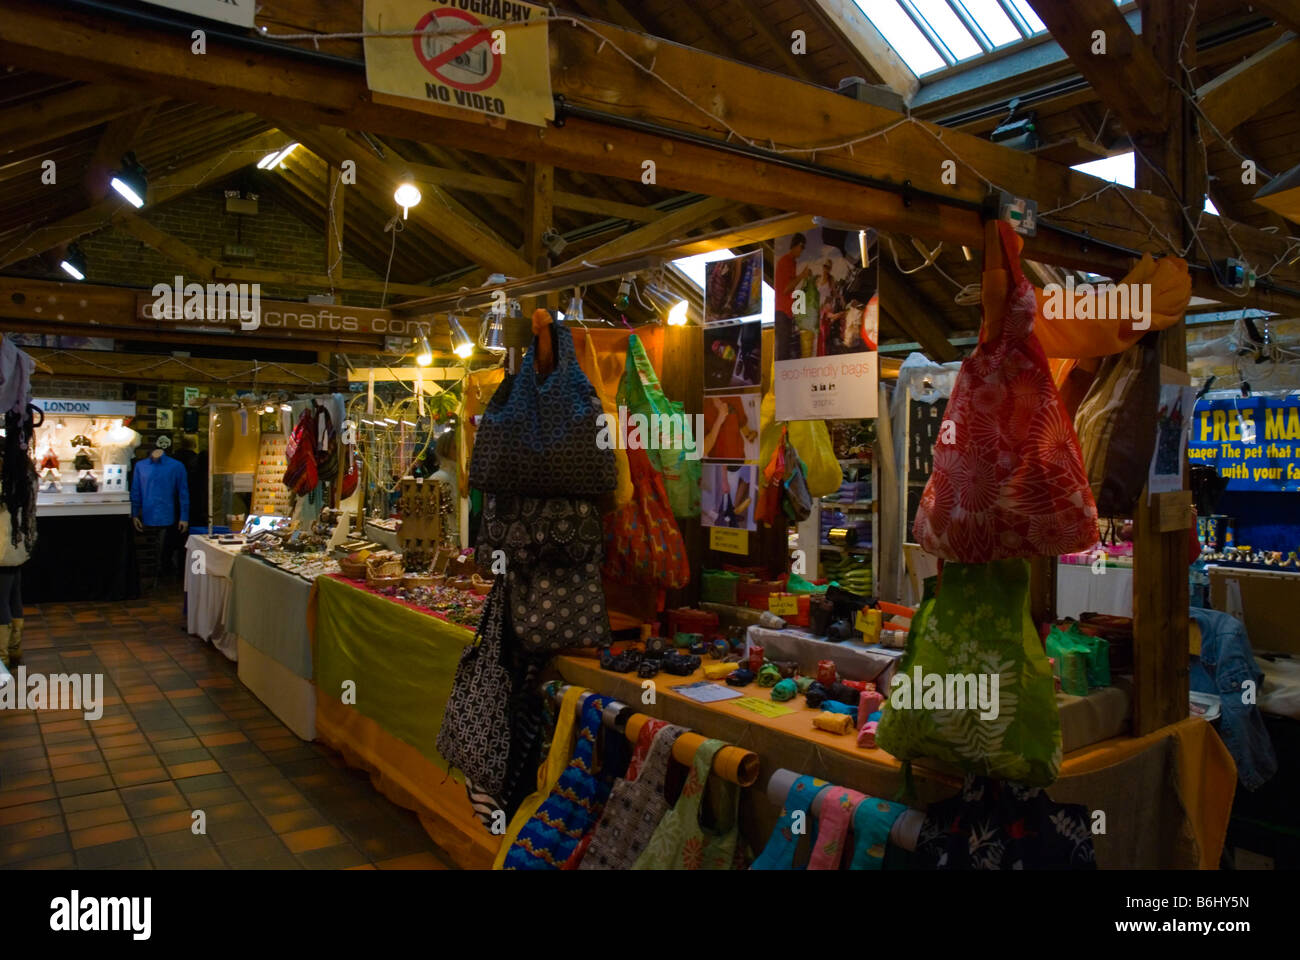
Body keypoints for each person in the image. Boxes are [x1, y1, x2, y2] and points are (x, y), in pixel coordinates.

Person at [774, 233, 810, 361]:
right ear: (795, 245)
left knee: (788, 349)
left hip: (787, 312)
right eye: (802, 246)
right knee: (784, 351)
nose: (802, 250)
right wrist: (801, 276)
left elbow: (789, 288)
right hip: (782, 312)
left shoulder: (792, 263)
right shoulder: (785, 261)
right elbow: (785, 289)